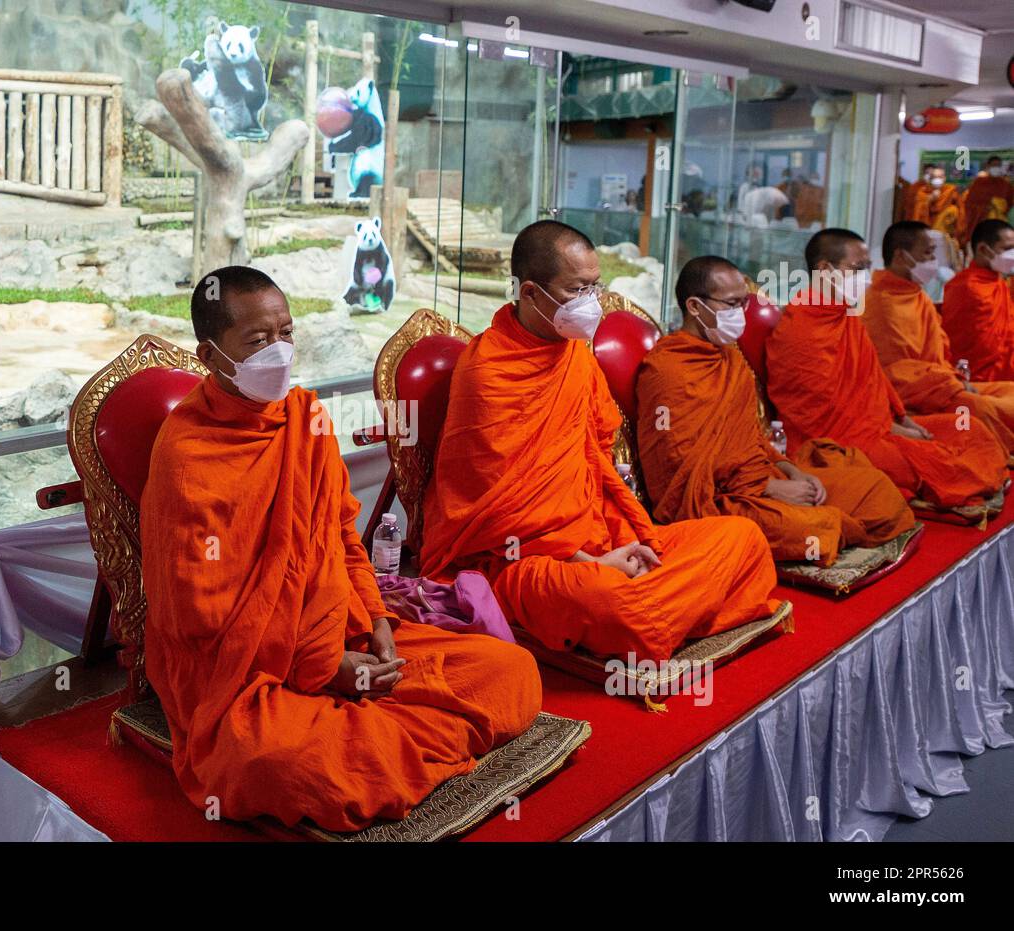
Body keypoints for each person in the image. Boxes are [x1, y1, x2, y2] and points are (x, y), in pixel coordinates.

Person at [139, 265, 541, 832]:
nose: (277, 352)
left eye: (285, 333)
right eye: (256, 341)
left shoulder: (305, 419)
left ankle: (386, 745)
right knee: (281, 765)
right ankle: (387, 743)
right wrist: (326, 669)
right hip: (245, 676)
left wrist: (376, 622)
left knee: (511, 670)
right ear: (210, 356)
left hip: (343, 632)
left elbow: (341, 537)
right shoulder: (189, 457)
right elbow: (199, 620)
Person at [420, 221, 781, 665]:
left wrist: (617, 544)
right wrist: (587, 563)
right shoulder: (489, 372)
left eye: (596, 285)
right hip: (525, 562)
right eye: (578, 290)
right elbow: (493, 520)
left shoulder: (574, 354)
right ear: (529, 292)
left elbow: (598, 461)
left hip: (602, 534)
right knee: (612, 601)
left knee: (743, 538)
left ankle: (658, 611)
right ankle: (670, 608)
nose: (593, 302)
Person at [636, 255, 915, 565]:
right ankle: (831, 526)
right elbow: (680, 465)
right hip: (716, 501)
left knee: (878, 492)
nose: (740, 313)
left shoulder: (730, 358)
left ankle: (833, 525)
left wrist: (792, 471)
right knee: (814, 528)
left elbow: (752, 437)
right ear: (694, 307)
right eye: (731, 304)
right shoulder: (666, 370)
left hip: (761, 478)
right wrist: (771, 490)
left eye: (744, 303)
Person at [765, 229, 1007, 512]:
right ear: (824, 270)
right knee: (933, 461)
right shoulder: (801, 330)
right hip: (842, 444)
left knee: (968, 428)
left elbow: (874, 379)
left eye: (868, 267)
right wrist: (889, 429)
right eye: (858, 268)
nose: (866, 276)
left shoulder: (846, 316)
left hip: (879, 425)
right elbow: (817, 417)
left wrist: (902, 419)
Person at [863, 220, 1014, 453]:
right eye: (927, 254)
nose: (933, 262)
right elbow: (893, 374)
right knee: (979, 409)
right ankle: (997, 460)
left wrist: (954, 379)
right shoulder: (882, 304)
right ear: (901, 256)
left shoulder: (917, 295)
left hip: (944, 382)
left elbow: (940, 353)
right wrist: (950, 383)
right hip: (922, 394)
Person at [941, 218, 1014, 382]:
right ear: (983, 249)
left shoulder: (999, 282)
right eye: (1008, 248)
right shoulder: (966, 287)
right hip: (977, 376)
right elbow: (969, 345)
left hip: (1005, 370)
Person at [958, 156, 1014, 247]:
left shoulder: (1006, 184)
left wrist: (999, 206)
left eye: (998, 165)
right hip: (982, 220)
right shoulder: (979, 183)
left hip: (1001, 222)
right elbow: (969, 204)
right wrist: (986, 207)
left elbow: (1010, 204)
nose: (996, 168)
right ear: (988, 166)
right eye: (994, 165)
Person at [903, 164, 962, 237]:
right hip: (927, 229)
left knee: (953, 209)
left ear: (944, 178)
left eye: (940, 177)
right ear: (930, 179)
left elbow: (961, 213)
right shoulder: (922, 192)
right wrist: (929, 199)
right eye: (934, 177)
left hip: (945, 233)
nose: (937, 180)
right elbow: (917, 213)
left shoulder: (950, 191)